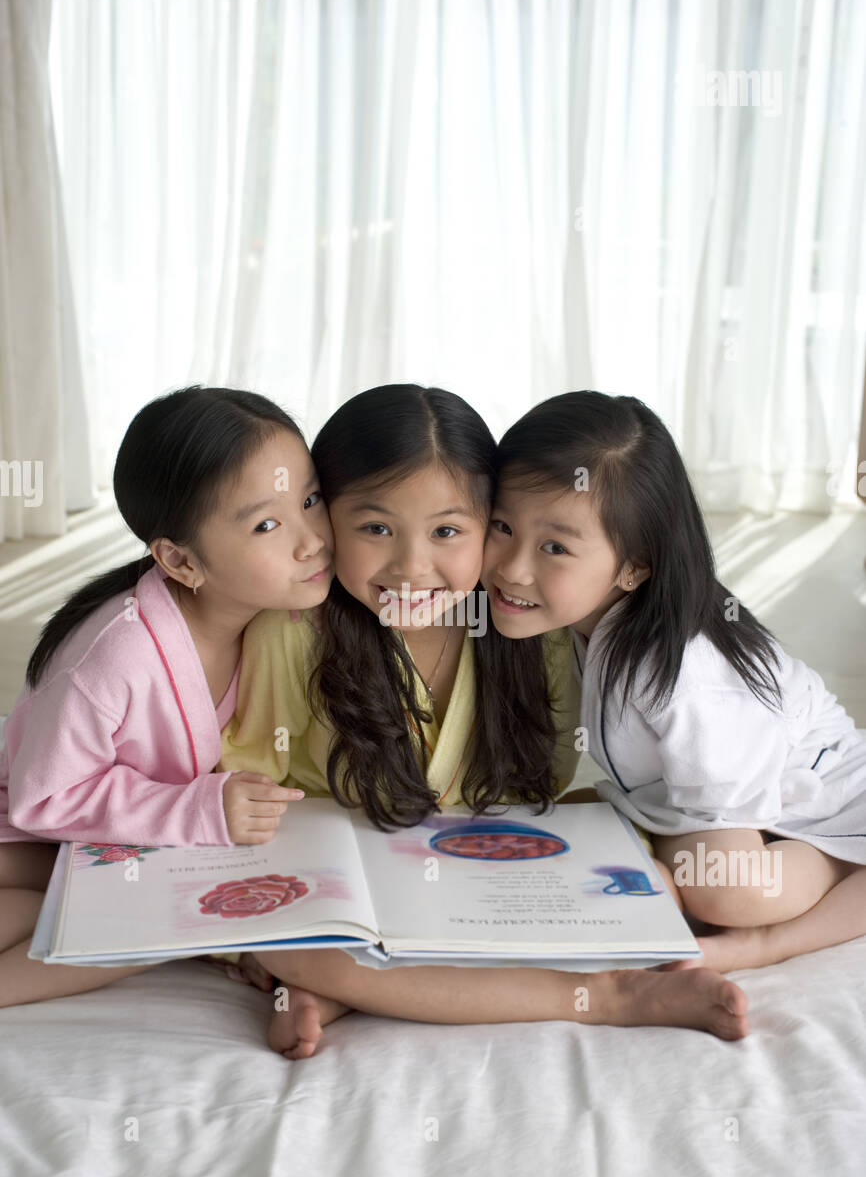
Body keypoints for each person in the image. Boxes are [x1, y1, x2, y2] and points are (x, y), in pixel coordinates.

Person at [220, 384, 748, 1056]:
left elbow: (542, 793)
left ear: (490, 525)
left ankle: (347, 991)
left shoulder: (529, 630)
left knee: (656, 887)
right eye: (375, 528)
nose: (412, 567)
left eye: (447, 532)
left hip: (486, 866)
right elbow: (252, 798)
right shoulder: (291, 631)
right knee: (290, 946)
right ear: (325, 521)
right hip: (350, 880)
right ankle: (612, 997)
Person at [482, 389, 866, 977]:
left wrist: (674, 869)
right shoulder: (585, 623)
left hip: (821, 799)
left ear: (635, 566)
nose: (512, 567)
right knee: (552, 826)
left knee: (723, 888)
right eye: (502, 526)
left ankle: (835, 869)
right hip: (707, 800)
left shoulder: (688, 676)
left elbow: (724, 815)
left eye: (555, 547)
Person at [0, 385, 330, 1006]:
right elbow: (44, 797)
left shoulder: (277, 619)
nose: (311, 539)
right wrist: (197, 812)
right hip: (29, 830)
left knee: (143, 900)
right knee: (152, 913)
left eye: (310, 499)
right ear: (180, 561)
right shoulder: (117, 656)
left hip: (105, 837)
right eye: (267, 524)